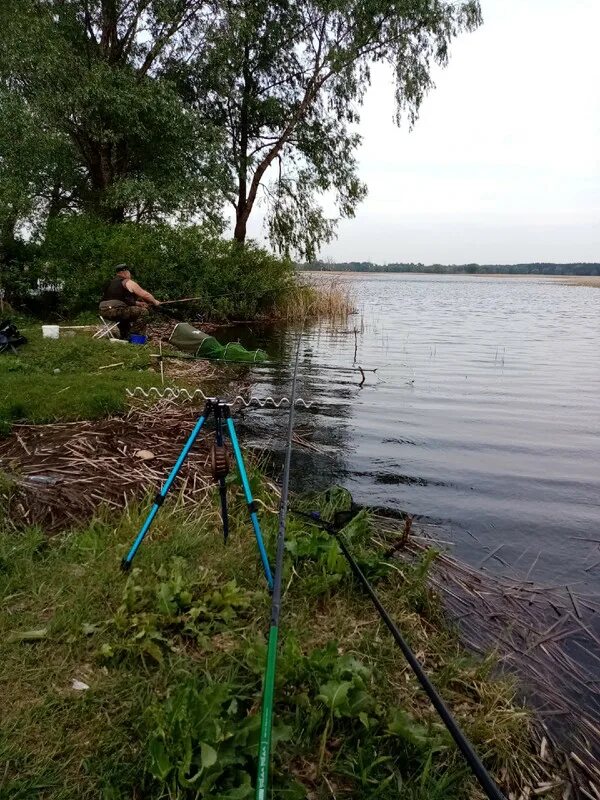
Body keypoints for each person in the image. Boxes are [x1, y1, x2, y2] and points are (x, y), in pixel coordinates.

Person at [99, 264, 160, 340]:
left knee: (125, 314)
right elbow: (144, 294)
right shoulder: (127, 282)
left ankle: (125, 336)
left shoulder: (109, 283)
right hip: (116, 311)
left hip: (103, 312)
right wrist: (155, 301)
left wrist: (138, 303)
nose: (130, 274)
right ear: (125, 272)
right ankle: (133, 334)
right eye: (129, 272)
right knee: (143, 312)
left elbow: (119, 300)